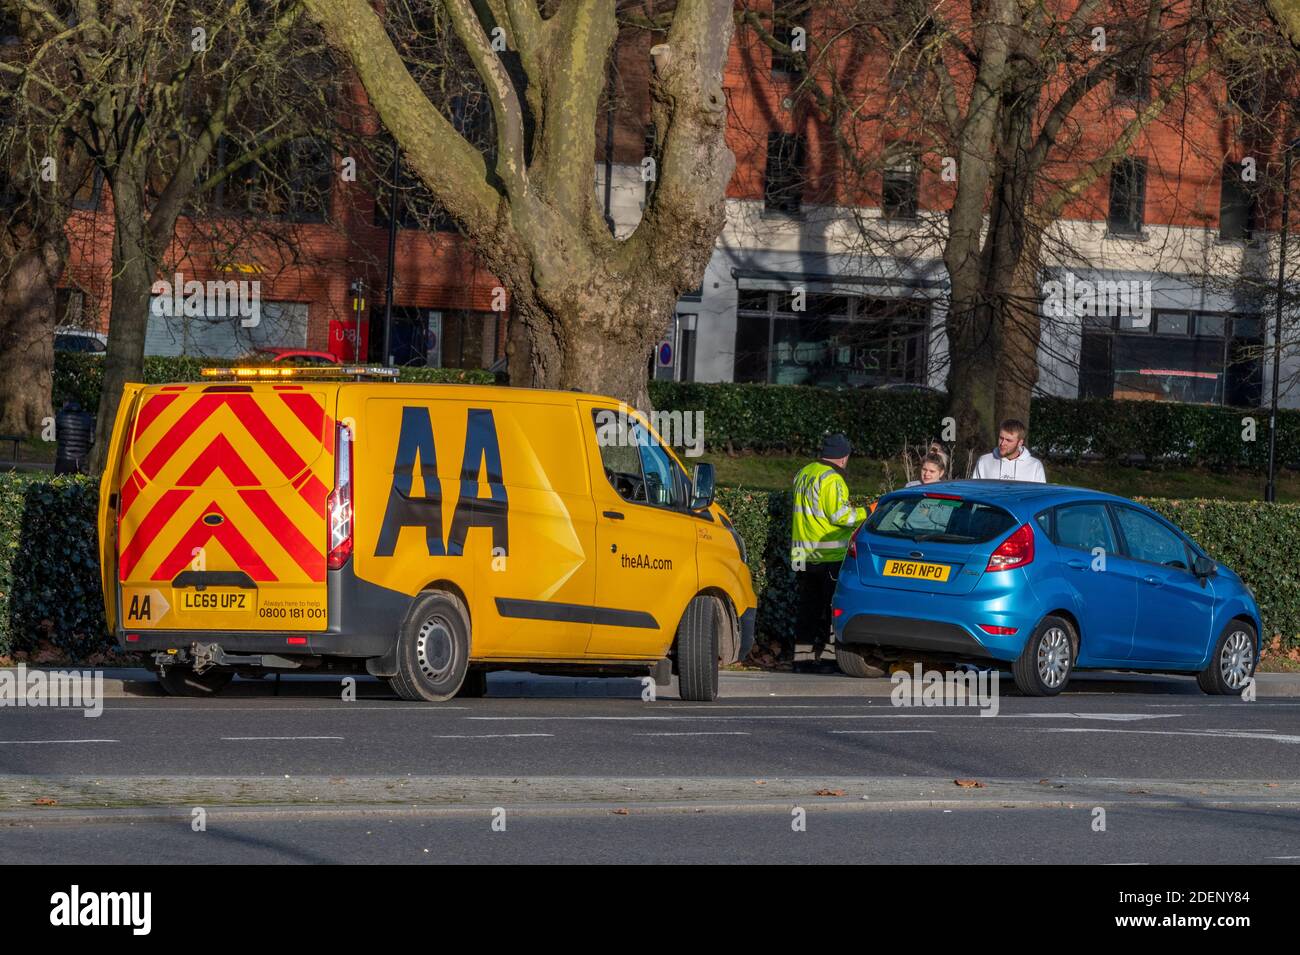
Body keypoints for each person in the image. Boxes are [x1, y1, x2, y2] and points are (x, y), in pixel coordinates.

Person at [789, 433, 868, 665]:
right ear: (844, 457)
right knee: (832, 610)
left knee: (807, 610)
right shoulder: (832, 479)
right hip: (828, 555)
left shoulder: (804, 473)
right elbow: (841, 516)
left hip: (803, 554)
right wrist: (868, 512)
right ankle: (827, 659)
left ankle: (801, 660)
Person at [971, 419, 1046, 482]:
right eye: (1001, 438)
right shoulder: (984, 461)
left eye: (1008, 440)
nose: (1003, 443)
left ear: (1020, 442)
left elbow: (1040, 497)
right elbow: (974, 492)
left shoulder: (1035, 466)